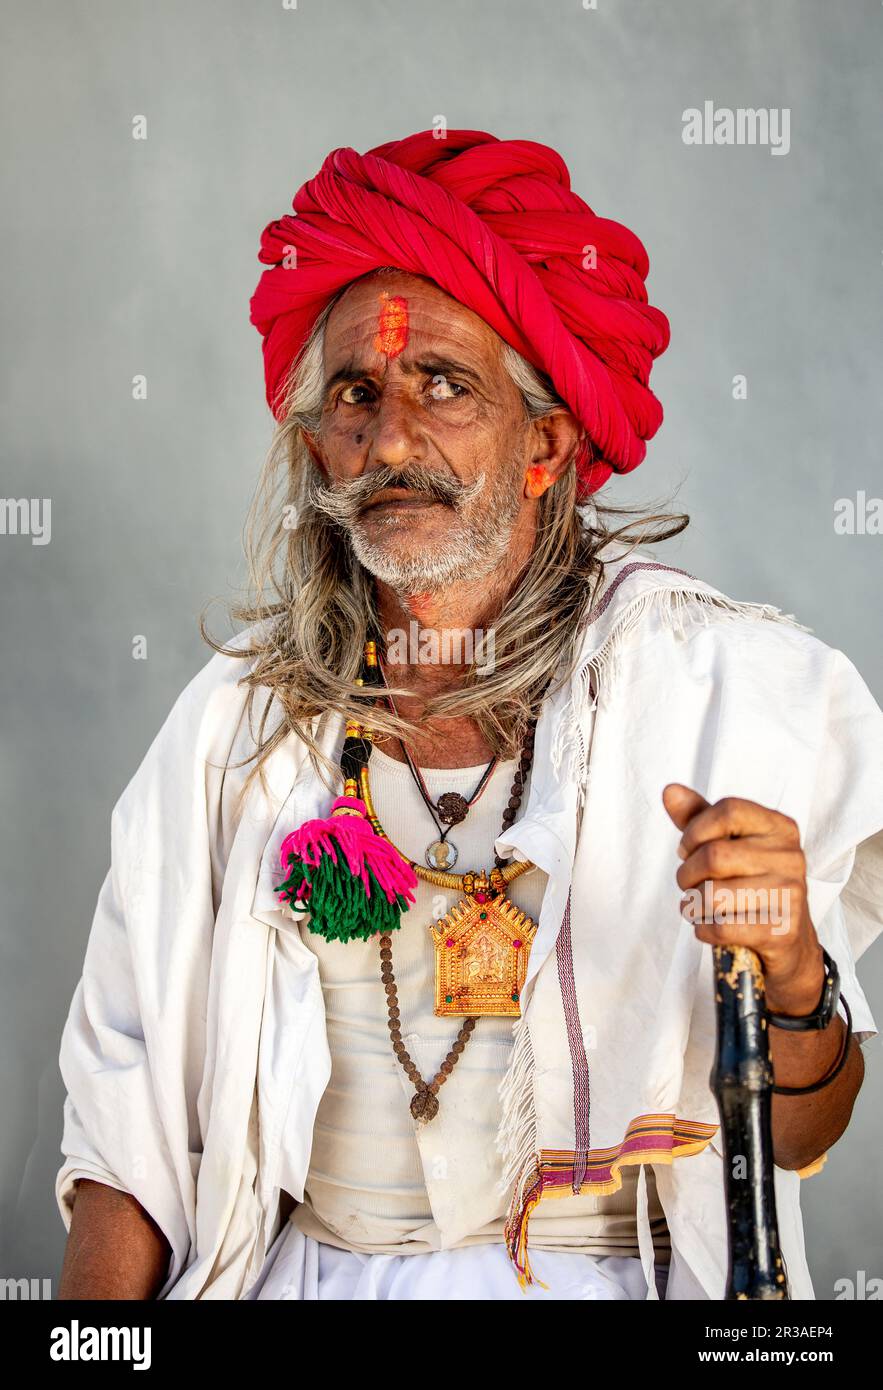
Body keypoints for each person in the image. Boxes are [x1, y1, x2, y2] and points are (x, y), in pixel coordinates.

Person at [56, 129, 883, 1301]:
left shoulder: (716, 694)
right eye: (356, 394)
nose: (391, 439)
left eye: (441, 384)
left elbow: (800, 1137)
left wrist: (794, 966)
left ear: (546, 441)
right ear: (313, 446)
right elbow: (125, 1145)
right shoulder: (235, 735)